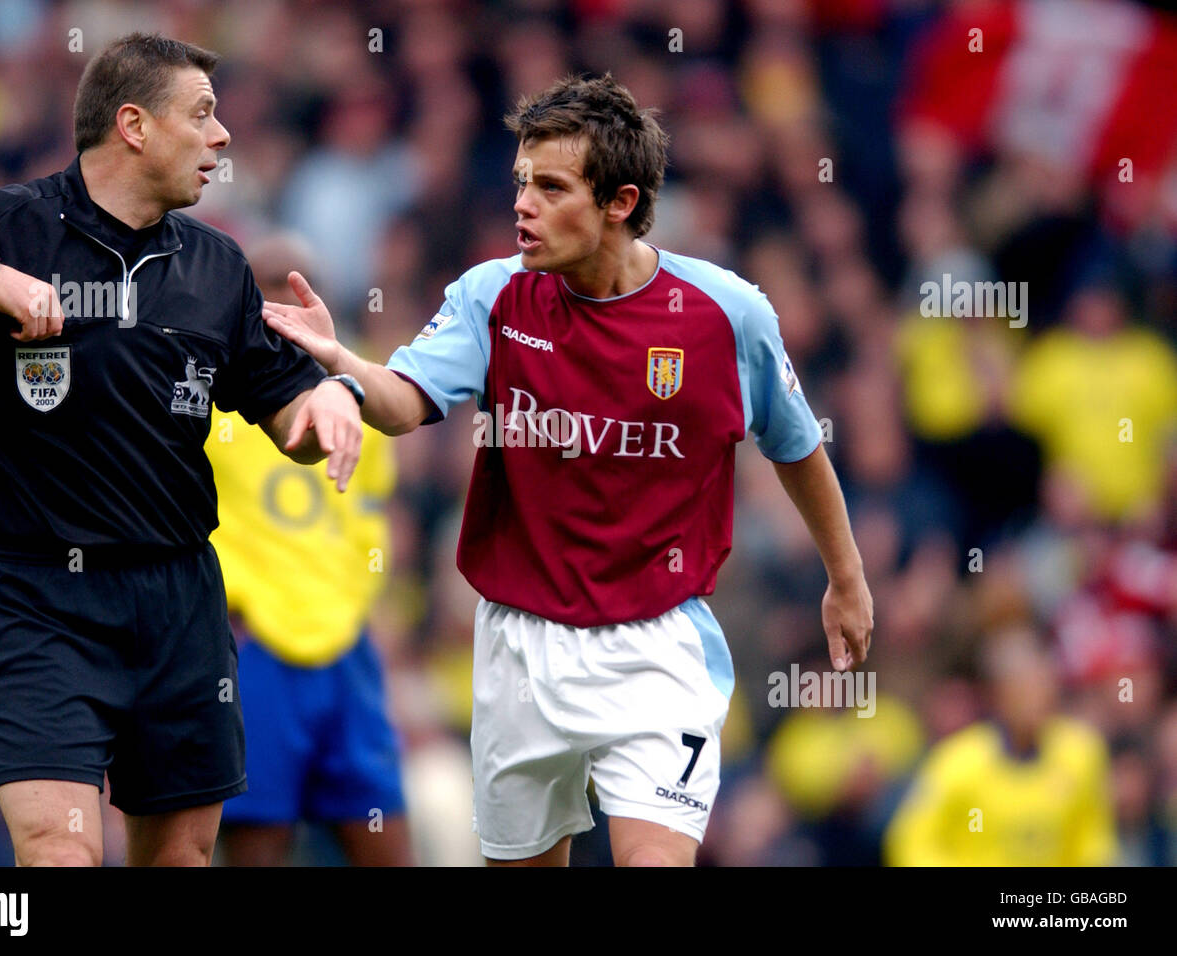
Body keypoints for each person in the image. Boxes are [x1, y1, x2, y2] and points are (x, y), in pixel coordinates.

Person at [264, 74, 873, 867]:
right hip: (521, 645)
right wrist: (345, 365)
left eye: (550, 187)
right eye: (521, 182)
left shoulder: (728, 313)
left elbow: (796, 445)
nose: (522, 204)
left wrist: (847, 577)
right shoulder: (494, 297)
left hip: (657, 644)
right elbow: (405, 400)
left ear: (620, 202)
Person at [0, 33, 363, 867]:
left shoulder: (217, 266)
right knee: (61, 852)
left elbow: (292, 421)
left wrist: (334, 392)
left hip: (179, 600)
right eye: (203, 115)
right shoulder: (1, 225)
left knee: (177, 859)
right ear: (133, 125)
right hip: (37, 598)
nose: (224, 137)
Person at [206, 233, 413, 866]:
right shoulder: (213, 404)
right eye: (264, 291)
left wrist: (372, 605)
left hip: (345, 644)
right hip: (256, 643)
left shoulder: (354, 392)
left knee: (382, 833)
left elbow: (371, 517)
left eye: (295, 288)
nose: (280, 310)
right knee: (261, 844)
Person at [884, 626, 1118, 866]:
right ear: (999, 694)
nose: (1038, 698)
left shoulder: (1082, 753)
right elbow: (912, 842)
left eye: (1043, 684)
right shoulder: (957, 762)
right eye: (1025, 688)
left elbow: (1093, 840)